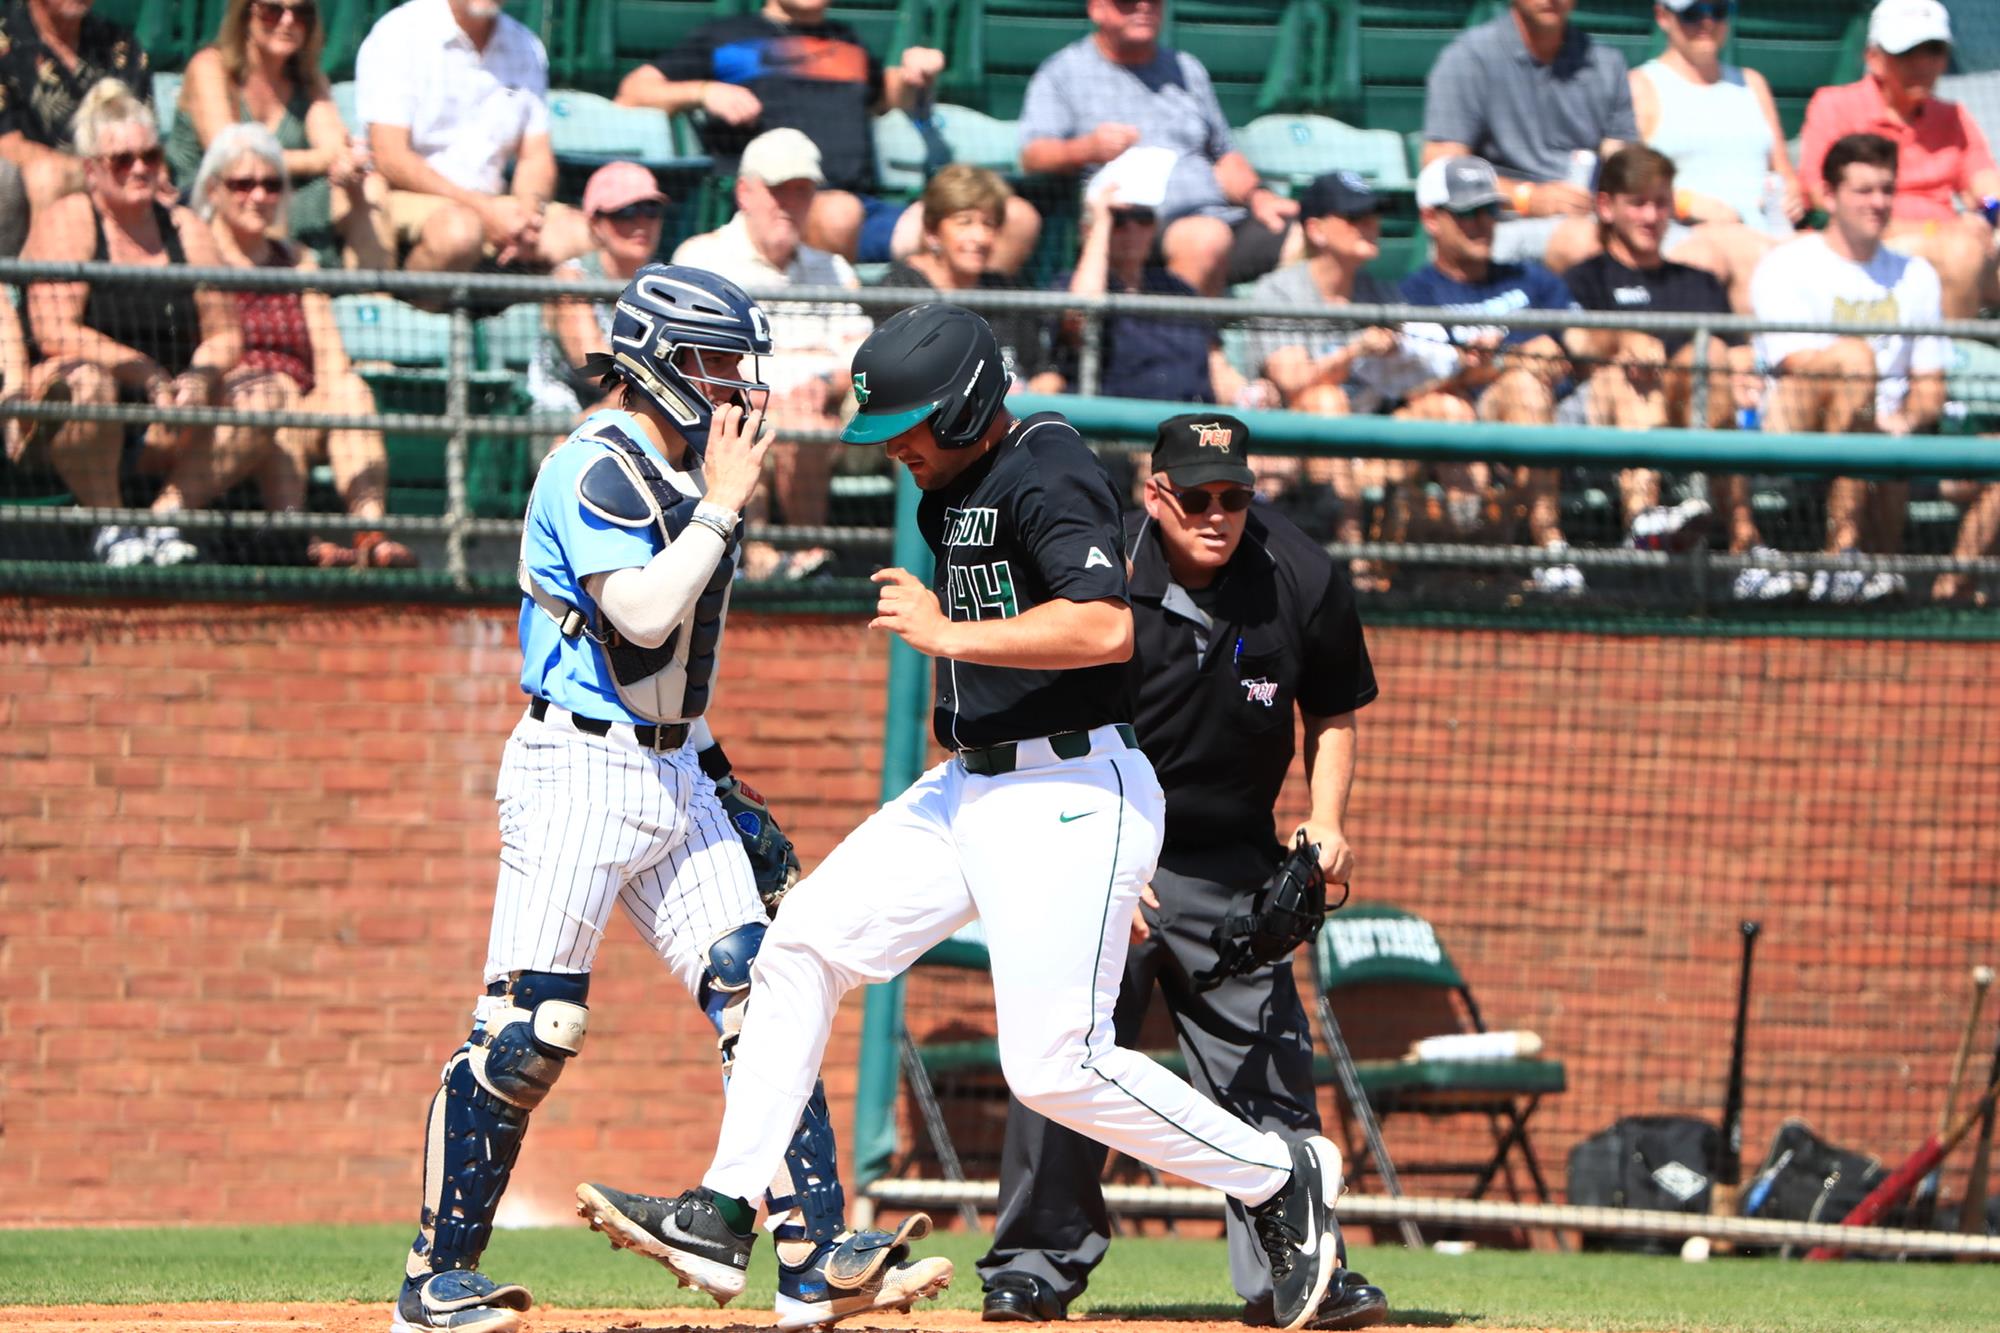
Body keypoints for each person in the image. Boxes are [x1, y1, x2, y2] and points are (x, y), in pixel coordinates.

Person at [570, 302, 1356, 1333]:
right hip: (971, 786)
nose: (894, 446)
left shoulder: (1048, 465)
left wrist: (945, 629)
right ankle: (723, 1210)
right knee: (798, 943)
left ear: (974, 402)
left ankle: (1275, 1173)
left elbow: (1104, 624)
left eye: (910, 425)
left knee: (1050, 1066)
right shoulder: (953, 482)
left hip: (1070, 792)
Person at [388, 263, 951, 1333]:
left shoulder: (685, 472)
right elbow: (640, 617)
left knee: (765, 986)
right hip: (577, 770)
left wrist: (726, 784)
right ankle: (434, 1278)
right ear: (652, 357)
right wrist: (727, 509)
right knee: (528, 1030)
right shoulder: (592, 466)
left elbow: (673, 673)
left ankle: (813, 1261)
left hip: (671, 765)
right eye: (712, 361)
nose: (734, 384)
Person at [975, 410, 1388, 1332]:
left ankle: (1298, 1268)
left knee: (1267, 1072)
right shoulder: (1099, 570)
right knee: (1066, 1056)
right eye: (1195, 494)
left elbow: (1333, 710)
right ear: (1153, 493)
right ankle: (1032, 1267)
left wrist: (1324, 823)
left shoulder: (1301, 573)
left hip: (1232, 859)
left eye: (1234, 495)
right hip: (1100, 836)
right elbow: (1037, 713)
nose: (1216, 513)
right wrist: (1098, 858)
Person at [20, 79, 259, 569]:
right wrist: (143, 372)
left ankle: (162, 521)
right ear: (91, 171)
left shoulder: (187, 230)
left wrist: (200, 376)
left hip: (169, 420)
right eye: (122, 160)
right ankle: (110, 525)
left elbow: (225, 332)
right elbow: (53, 330)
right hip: (73, 418)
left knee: (265, 392)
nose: (140, 169)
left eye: (150, 156)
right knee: (89, 382)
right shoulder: (70, 220)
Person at [618, 0, 1038, 273]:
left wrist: (914, 77)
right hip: (786, 207)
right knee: (838, 211)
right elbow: (634, 91)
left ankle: (988, 343)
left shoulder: (848, 43)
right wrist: (704, 91)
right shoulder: (727, 36)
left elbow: (883, 98)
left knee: (1016, 218)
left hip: (867, 209)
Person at [197, 124, 413, 569]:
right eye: (243, 184)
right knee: (274, 395)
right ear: (214, 190)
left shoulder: (296, 259)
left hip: (298, 398)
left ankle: (371, 533)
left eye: (270, 184)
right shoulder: (198, 254)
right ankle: (298, 540)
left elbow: (329, 354)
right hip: (235, 407)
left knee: (351, 390)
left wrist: (331, 391)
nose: (258, 196)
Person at [1241, 172, 1470, 579]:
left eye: (1373, 215)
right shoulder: (1279, 291)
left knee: (1448, 409)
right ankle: (1352, 553)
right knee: (1327, 400)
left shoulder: (1382, 292)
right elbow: (1294, 383)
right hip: (1301, 449)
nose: (1371, 225)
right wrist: (1357, 349)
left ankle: (1479, 556)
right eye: (1355, 217)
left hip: (1374, 437)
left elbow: (1414, 382)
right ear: (1317, 230)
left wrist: (1459, 365)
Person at [1752, 132, 1949, 604]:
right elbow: (1795, 364)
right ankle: (1841, 556)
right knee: (1856, 360)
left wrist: (1903, 419)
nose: (1878, 202)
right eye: (1864, 190)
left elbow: (1930, 385)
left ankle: (1902, 576)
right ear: (1829, 195)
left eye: (1886, 189)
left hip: (1876, 424)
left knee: (1889, 431)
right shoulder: (1787, 264)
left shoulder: (1917, 274)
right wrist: (1870, 410)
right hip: (1795, 418)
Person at [673, 128, 872, 578]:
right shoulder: (703, 258)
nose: (789, 204)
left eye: (801, 192)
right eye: (778, 190)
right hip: (732, 407)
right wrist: (754, 392)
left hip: (822, 414)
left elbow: (862, 356)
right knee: (770, 422)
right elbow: (692, 356)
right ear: (745, 192)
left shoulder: (834, 270)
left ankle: (807, 558)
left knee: (805, 419)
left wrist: (825, 384)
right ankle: (770, 555)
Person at [1019, 0, 1295, 296]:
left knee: (1312, 232)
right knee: (1206, 239)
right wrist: (1086, 149)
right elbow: (1033, 155)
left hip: (1215, 215)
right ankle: (1179, 339)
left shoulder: (1187, 69)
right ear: (1096, 8)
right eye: (1127, 2)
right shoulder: (1064, 72)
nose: (1143, 7)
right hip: (1131, 226)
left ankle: (1279, 340)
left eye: (1154, 1)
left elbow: (1224, 154)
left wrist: (1258, 196)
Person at [1400, 155, 1584, 592]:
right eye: (1468, 214)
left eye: (1489, 211)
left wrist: (1508, 362)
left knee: (1524, 388)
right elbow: (1412, 387)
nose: (1483, 223)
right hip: (1461, 429)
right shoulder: (1415, 293)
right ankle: (1545, 546)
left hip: (1551, 412)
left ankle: (1547, 547)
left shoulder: (1532, 279)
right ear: (1431, 219)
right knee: (1521, 383)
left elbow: (1575, 347)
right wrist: (1509, 360)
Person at [1560, 145, 1748, 555]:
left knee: (1711, 355)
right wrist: (1622, 341)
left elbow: (1739, 356)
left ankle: (1746, 543)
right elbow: (1573, 344)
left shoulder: (1698, 283)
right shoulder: (1583, 279)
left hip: (1692, 419)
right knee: (1629, 373)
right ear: (1606, 207)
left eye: (1661, 204)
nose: (1651, 217)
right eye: (1638, 203)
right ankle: (1642, 519)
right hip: (1599, 420)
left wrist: (1743, 374)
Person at [1550, 0, 1794, 310]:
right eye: (1692, 14)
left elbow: (1783, 169)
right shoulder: (1641, 86)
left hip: (1766, 229)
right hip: (1684, 230)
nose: (1707, 23)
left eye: (1717, 11)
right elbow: (1619, 177)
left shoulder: (1752, 83)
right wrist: (1688, 203)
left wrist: (1792, 193)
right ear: (1663, 17)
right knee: (1743, 257)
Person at [1797, 0, 2000, 320]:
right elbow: (1818, 195)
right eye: (1907, 52)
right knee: (1962, 253)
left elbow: (1988, 186)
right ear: (1873, 59)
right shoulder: (1835, 106)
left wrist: (1989, 216)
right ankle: (1950, 362)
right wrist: (1938, 232)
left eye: (1933, 50)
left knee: (1968, 251)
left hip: (1951, 245)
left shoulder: (1954, 116)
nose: (1922, 64)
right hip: (1865, 248)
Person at [354, 0, 588, 274]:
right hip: (409, 196)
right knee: (460, 232)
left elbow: (536, 156)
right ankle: (409, 309)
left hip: (494, 204)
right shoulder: (397, 33)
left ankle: (496, 308)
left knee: (583, 231)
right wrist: (483, 210)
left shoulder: (527, 45)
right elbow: (390, 157)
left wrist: (529, 214)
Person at [166, 0, 393, 271]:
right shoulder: (210, 66)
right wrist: (323, 159)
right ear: (245, 16)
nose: (287, 22)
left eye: (300, 13)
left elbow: (336, 148)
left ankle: (371, 305)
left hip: (282, 201)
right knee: (259, 193)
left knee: (370, 187)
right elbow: (230, 156)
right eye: (273, 11)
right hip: (217, 201)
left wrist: (346, 165)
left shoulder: (309, 80)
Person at [1422, 0, 1636, 268]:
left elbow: (1625, 161)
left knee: (1698, 248)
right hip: (1499, 223)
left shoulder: (1607, 63)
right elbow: (1442, 165)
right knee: (1585, 243)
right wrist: (1529, 198)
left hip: (1590, 216)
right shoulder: (1468, 58)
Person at [879, 164, 1059, 394]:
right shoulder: (899, 288)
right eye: (964, 222)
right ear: (932, 231)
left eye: (989, 224)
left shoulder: (1005, 292)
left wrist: (1045, 383)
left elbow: (1042, 369)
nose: (979, 237)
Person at [0, 0, 149, 250]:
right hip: (23, 199)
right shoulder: (6, 39)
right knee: (46, 178)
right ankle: (40, 285)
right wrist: (86, 173)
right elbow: (7, 145)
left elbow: (144, 138)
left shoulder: (119, 45)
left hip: (112, 180)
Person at [532, 161, 671, 425]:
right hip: (560, 414)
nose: (641, 222)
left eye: (651, 209)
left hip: (637, 400)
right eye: (626, 212)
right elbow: (594, 366)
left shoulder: (665, 283)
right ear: (596, 223)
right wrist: (661, 382)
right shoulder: (572, 279)